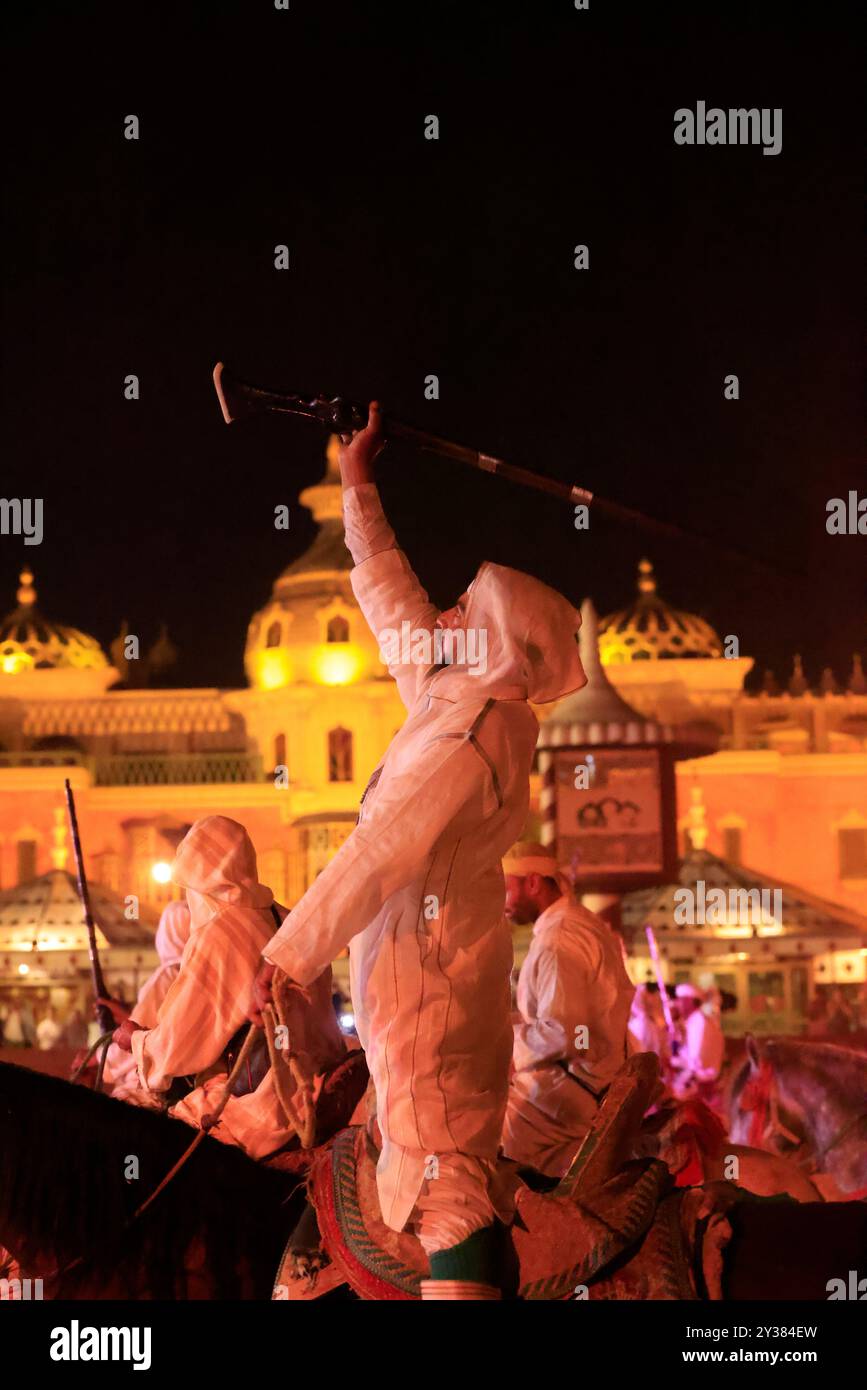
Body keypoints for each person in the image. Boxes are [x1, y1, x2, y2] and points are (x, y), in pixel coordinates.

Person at [250, 405, 587, 1299]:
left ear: (488, 646)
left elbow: (381, 847)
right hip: (413, 965)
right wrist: (359, 484)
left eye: (462, 609)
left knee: (447, 1184)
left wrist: (285, 957)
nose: (442, 610)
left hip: (430, 979)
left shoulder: (470, 729)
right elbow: (397, 606)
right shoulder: (453, 696)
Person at [112, 816, 345, 1156]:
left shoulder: (220, 932)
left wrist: (133, 1040)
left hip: (266, 1101)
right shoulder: (288, 918)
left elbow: (177, 1048)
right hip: (319, 1075)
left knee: (129, 1133)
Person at [500, 841, 636, 1177]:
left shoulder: (560, 938)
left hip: (563, 1093)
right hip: (575, 1083)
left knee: (475, 1148)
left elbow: (565, 1032)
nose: (500, 902)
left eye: (505, 889)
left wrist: (502, 1040)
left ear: (533, 883)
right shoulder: (576, 923)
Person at [99, 900, 192, 1103]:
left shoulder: (169, 975)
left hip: (150, 1087)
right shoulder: (198, 975)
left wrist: (98, 1061)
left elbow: (135, 1041)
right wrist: (125, 1015)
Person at [669, 983, 724, 1101]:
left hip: (699, 1087)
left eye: (680, 1000)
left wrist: (673, 1060)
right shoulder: (694, 1022)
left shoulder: (699, 1023)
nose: (677, 1004)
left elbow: (696, 1061)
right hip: (697, 1083)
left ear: (689, 1001)